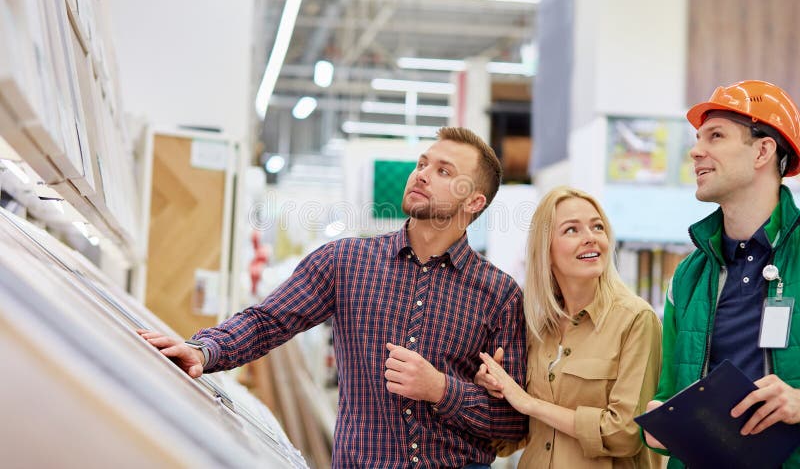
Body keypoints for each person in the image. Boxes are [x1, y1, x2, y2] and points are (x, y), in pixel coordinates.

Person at [138, 127, 528, 469]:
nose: (422, 175)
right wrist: (204, 351)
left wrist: (441, 389)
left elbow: (513, 421)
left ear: (474, 201)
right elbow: (267, 321)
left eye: (443, 171)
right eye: (423, 163)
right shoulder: (346, 262)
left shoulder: (499, 295)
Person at [644, 80, 800, 468]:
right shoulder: (688, 276)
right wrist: (661, 421)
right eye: (698, 139)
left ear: (763, 150)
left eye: (716, 136)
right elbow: (668, 392)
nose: (696, 151)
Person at [476, 186, 662, 468]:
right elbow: (510, 441)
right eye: (572, 230)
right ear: (546, 251)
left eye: (597, 227)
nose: (590, 238)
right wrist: (494, 392)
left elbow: (625, 434)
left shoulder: (636, 319)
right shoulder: (537, 329)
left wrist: (529, 403)